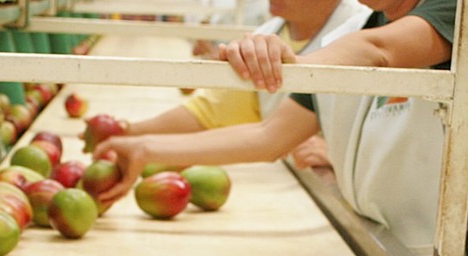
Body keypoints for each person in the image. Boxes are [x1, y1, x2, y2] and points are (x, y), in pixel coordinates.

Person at [94, 0, 468, 256]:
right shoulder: (351, 33)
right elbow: (269, 136)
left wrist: (290, 63)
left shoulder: (462, 12)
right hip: (372, 250)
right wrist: (145, 150)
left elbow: (379, 51)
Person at [122, 0, 369, 170]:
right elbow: (212, 112)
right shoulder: (268, 34)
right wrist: (128, 133)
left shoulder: (363, 31)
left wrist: (342, 156)